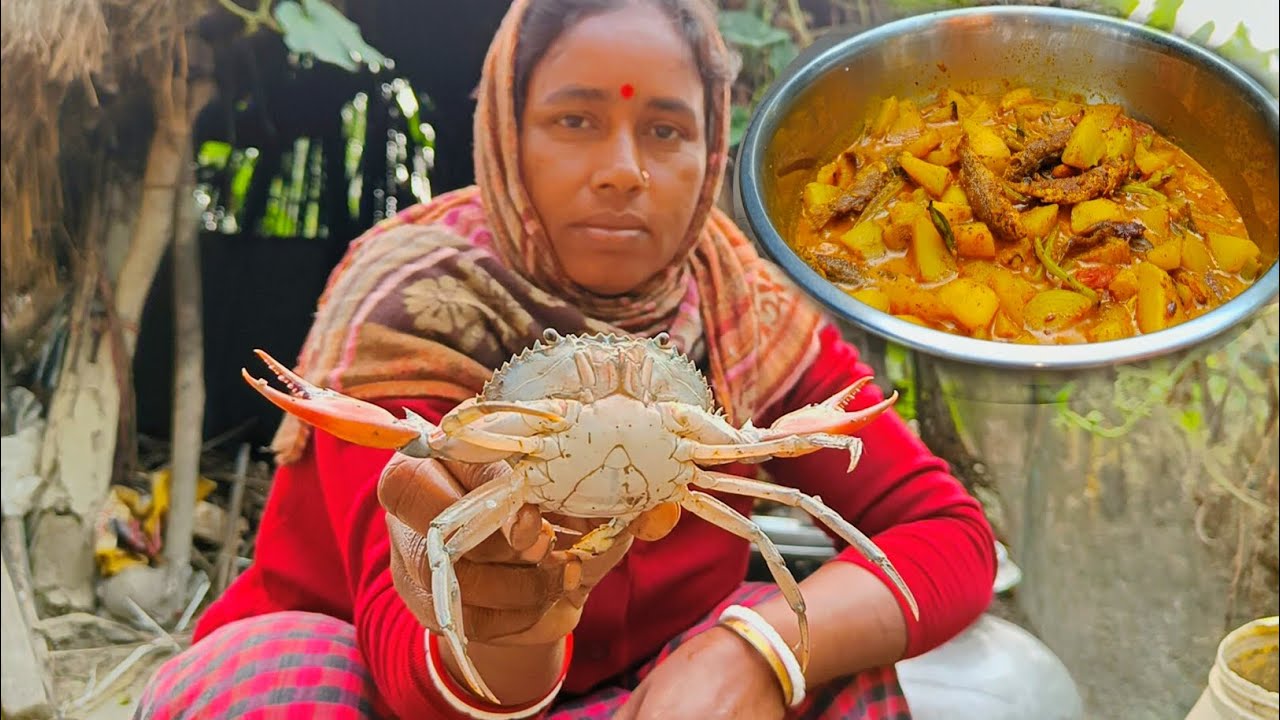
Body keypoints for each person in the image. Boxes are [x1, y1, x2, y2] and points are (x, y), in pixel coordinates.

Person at [134, 0, 1062, 718]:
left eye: (664, 129)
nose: (624, 168)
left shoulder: (749, 313)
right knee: (275, 678)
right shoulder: (410, 309)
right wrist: (520, 624)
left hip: (635, 691)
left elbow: (944, 533)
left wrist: (757, 645)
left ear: (711, 151)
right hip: (384, 689)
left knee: (834, 673)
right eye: (576, 122)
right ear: (506, 132)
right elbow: (410, 673)